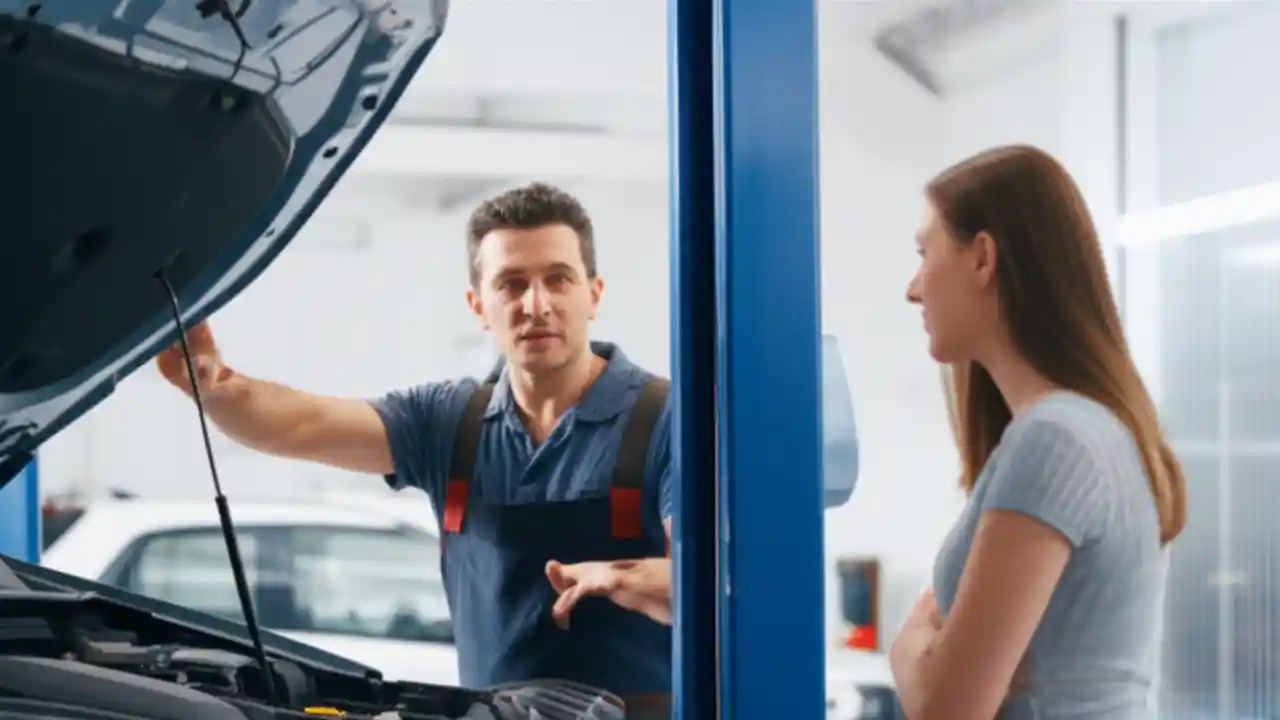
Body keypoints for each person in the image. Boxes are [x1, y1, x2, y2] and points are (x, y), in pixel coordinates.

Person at [155, 182, 676, 709]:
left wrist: (622, 576)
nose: (535, 304)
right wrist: (214, 382)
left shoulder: (666, 418)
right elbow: (300, 425)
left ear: (594, 294)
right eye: (511, 284)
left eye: (558, 280)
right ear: (478, 305)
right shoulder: (449, 423)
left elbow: (719, 585)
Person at [888, 144, 1187, 719]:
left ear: (982, 258)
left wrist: (907, 653)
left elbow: (947, 709)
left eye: (926, 253)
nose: (914, 288)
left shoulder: (1056, 438)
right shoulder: (1080, 429)